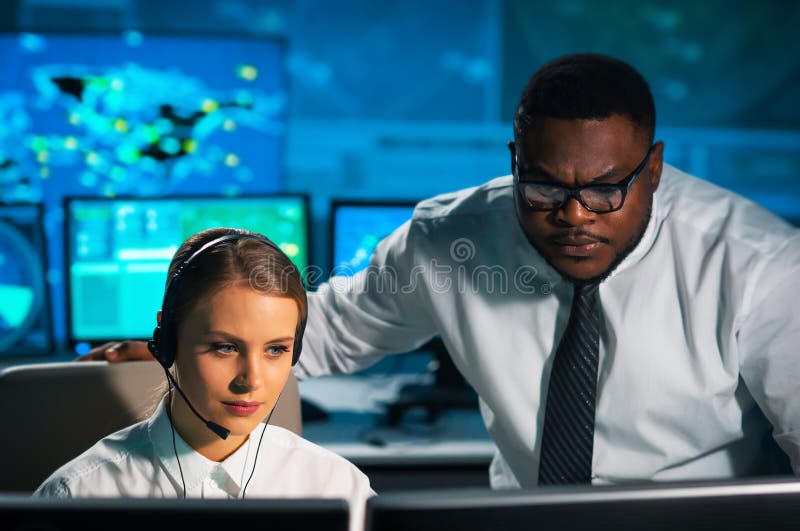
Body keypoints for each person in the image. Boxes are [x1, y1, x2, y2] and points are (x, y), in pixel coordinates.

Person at [79, 53, 800, 489]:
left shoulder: (757, 266)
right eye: (547, 186)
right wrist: (194, 344)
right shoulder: (448, 241)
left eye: (606, 188)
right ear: (514, 161)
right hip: (520, 522)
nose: (576, 215)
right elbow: (327, 332)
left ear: (655, 167)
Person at [38, 227, 374, 530]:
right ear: (168, 340)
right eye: (224, 347)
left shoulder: (339, 489)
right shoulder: (78, 496)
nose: (251, 380)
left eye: (275, 350)